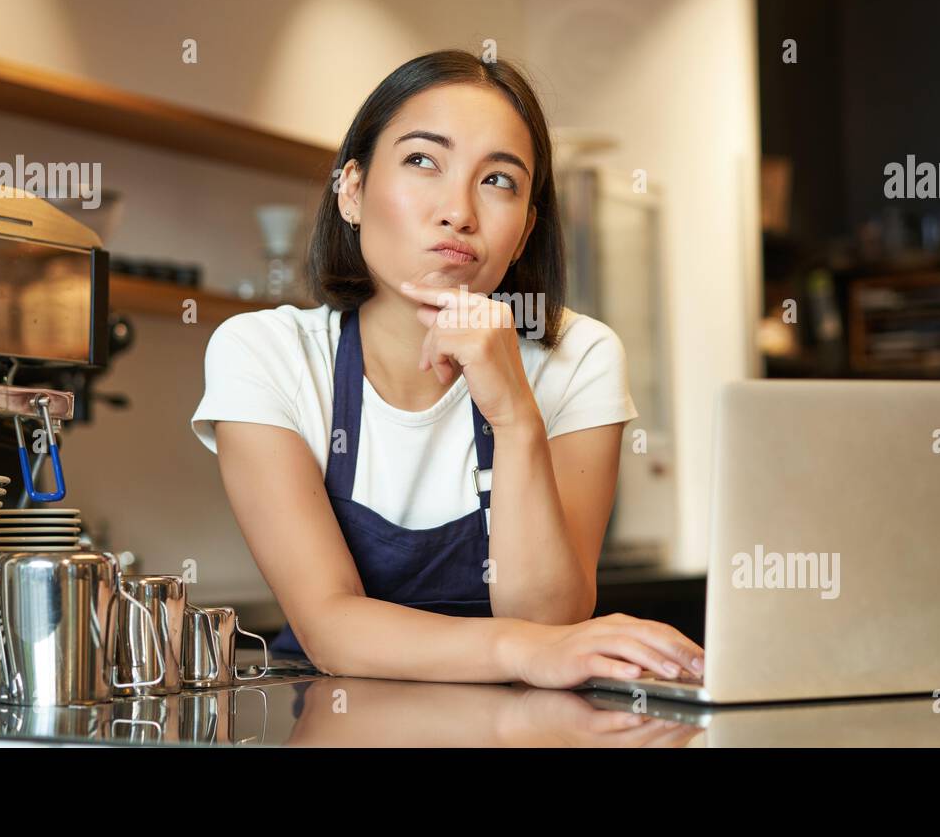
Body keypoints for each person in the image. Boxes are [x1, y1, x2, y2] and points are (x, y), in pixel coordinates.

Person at [191, 49, 704, 689]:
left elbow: (547, 617)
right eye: (422, 161)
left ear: (523, 233)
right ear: (351, 190)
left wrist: (514, 413)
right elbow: (330, 626)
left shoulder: (580, 356)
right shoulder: (266, 353)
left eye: (498, 181)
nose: (459, 210)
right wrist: (523, 652)